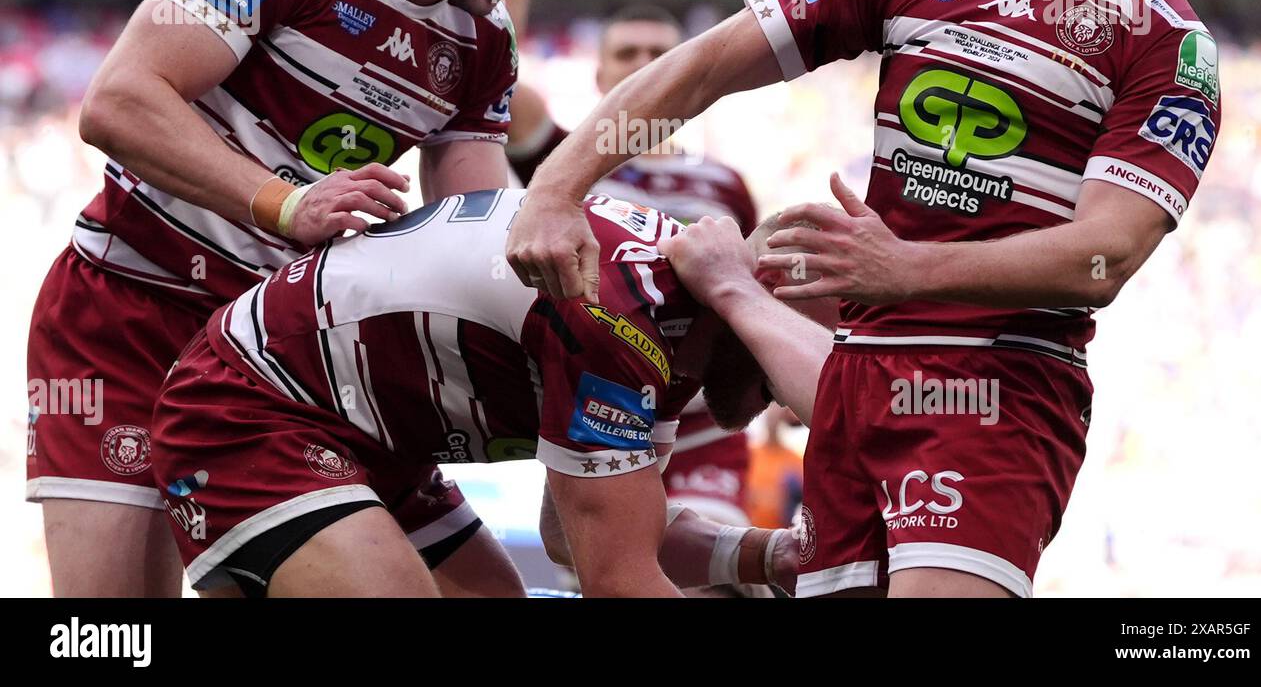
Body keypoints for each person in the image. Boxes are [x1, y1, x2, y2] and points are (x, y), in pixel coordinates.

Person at [505, 0, 1222, 597]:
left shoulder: (1166, 41)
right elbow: (704, 65)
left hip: (996, 396)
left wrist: (901, 265)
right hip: (853, 385)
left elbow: (1102, 255)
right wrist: (559, 187)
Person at [27, 0, 605, 597]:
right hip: (132, 313)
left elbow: (471, 229)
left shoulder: (485, 41)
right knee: (115, 633)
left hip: (293, 355)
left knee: (488, 591)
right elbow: (119, 100)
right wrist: (284, 203)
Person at [150, 189, 797, 597]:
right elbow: (618, 579)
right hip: (253, 403)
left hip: (371, 439)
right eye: (794, 352)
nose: (795, 404)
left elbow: (577, 537)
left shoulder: (680, 316)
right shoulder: (624, 314)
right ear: (759, 293)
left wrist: (774, 555)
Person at [508, 4, 759, 532]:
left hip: (702, 425)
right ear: (599, 74)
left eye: (661, 55)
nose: (645, 64)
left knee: (712, 579)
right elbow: (500, 84)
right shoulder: (560, 166)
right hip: (603, 405)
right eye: (627, 53)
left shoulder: (728, 184)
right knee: (607, 570)